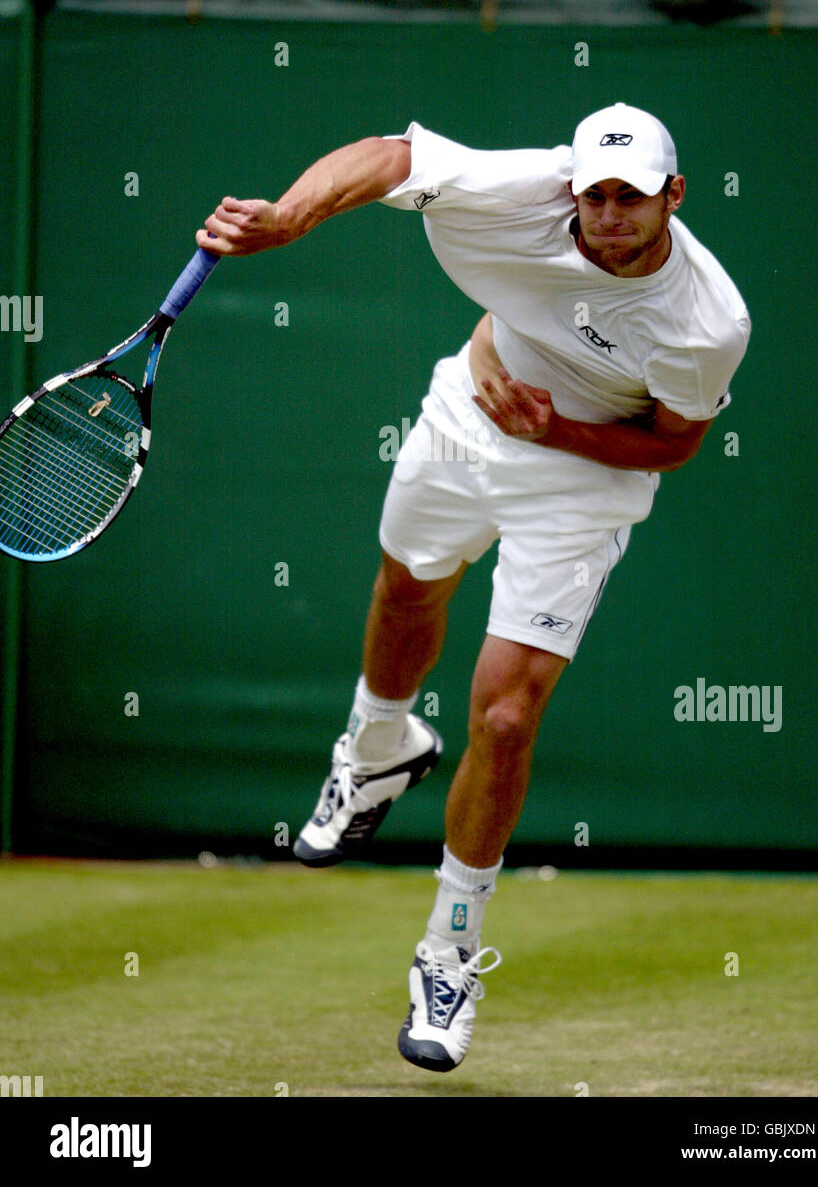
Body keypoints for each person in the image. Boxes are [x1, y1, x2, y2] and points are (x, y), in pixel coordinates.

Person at [197, 102, 751, 1074]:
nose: (610, 212)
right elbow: (382, 155)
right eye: (595, 194)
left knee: (502, 717)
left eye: (632, 195)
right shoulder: (518, 193)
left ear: (673, 195)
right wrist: (287, 217)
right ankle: (377, 745)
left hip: (581, 474)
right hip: (468, 412)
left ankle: (447, 952)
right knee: (407, 587)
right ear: (569, 189)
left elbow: (675, 441)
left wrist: (551, 431)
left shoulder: (705, 320)